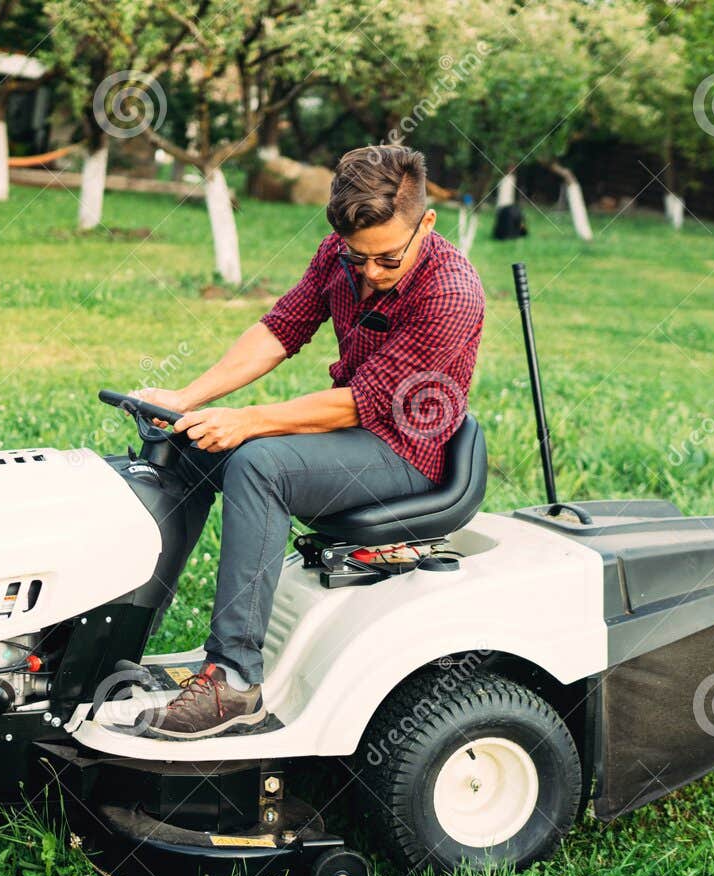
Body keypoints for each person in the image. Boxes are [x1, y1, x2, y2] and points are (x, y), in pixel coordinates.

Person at [131, 145, 485, 738]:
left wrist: (249, 420)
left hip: (407, 453)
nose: (369, 271)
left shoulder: (451, 293)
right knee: (187, 444)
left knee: (260, 464)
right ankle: (123, 641)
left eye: (387, 259)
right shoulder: (339, 257)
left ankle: (235, 682)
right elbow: (280, 329)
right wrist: (189, 399)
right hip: (353, 432)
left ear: (427, 223)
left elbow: (365, 401)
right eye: (359, 255)